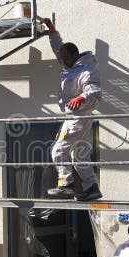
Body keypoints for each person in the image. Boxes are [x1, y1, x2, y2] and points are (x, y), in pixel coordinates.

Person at [41, 17, 102, 201]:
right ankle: (91, 187)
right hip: (81, 118)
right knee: (80, 155)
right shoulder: (71, 65)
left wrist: (81, 97)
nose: (62, 59)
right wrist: (52, 31)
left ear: (74, 55)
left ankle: (65, 184)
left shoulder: (86, 71)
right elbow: (58, 47)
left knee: (58, 150)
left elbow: (95, 90)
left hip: (76, 117)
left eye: (65, 57)